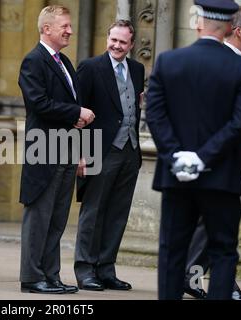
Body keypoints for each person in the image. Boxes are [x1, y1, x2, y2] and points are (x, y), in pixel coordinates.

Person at [146, 0, 241, 299]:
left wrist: (177, 156)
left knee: (172, 251)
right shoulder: (240, 66)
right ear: (227, 27)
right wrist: (203, 157)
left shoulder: (168, 61)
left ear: (199, 20)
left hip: (176, 176)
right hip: (220, 177)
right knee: (223, 251)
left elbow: (156, 116)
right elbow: (240, 122)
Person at [183, 6, 241, 300]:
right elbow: (237, 116)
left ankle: (196, 278)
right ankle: (219, 285)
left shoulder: (236, 60)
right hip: (224, 154)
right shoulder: (227, 62)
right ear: (238, 30)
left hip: (232, 152)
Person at [18, 5, 95, 294]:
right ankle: (31, 277)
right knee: (39, 217)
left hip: (65, 151)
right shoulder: (33, 61)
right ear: (46, 28)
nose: (70, 30)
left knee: (57, 218)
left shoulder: (64, 62)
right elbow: (38, 103)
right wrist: (76, 112)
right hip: (44, 151)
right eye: (64, 25)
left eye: (70, 25)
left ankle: (50, 275)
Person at [74, 20, 145, 291]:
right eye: (113, 40)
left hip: (130, 151)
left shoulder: (137, 70)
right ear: (107, 38)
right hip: (99, 151)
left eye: (122, 42)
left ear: (131, 45)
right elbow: (78, 111)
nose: (116, 45)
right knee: (93, 211)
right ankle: (85, 269)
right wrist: (80, 154)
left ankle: (106, 269)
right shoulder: (90, 68)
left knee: (117, 213)